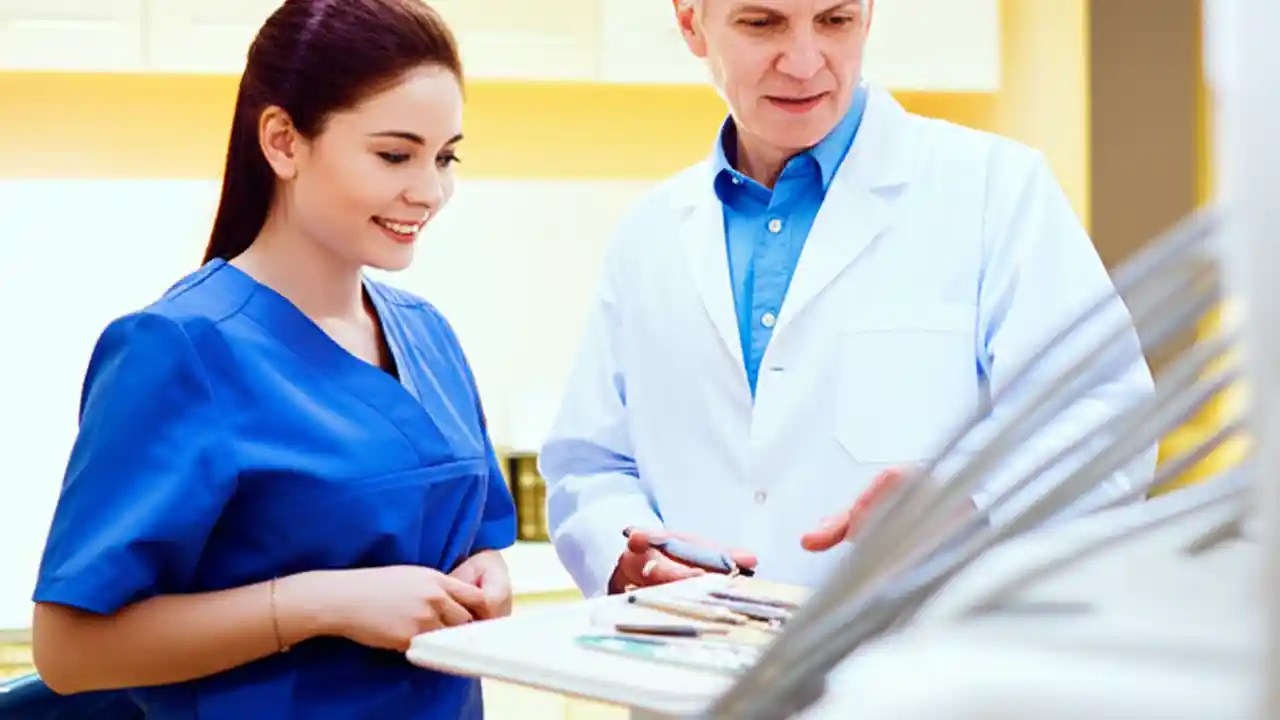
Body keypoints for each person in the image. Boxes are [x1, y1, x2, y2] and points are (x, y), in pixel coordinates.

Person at [540, 0, 1157, 598]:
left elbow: (1106, 418)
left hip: (921, 672)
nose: (806, 62)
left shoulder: (994, 191)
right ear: (690, 23)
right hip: (691, 674)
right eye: (763, 23)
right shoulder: (648, 234)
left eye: (835, 21)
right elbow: (589, 464)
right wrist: (622, 557)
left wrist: (970, 497)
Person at [28, 1, 516, 718]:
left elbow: (473, 540)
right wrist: (321, 603)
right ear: (284, 141)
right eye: (394, 154)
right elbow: (68, 652)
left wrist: (487, 576)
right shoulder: (179, 349)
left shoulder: (428, 334)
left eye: (445, 157)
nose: (431, 191)